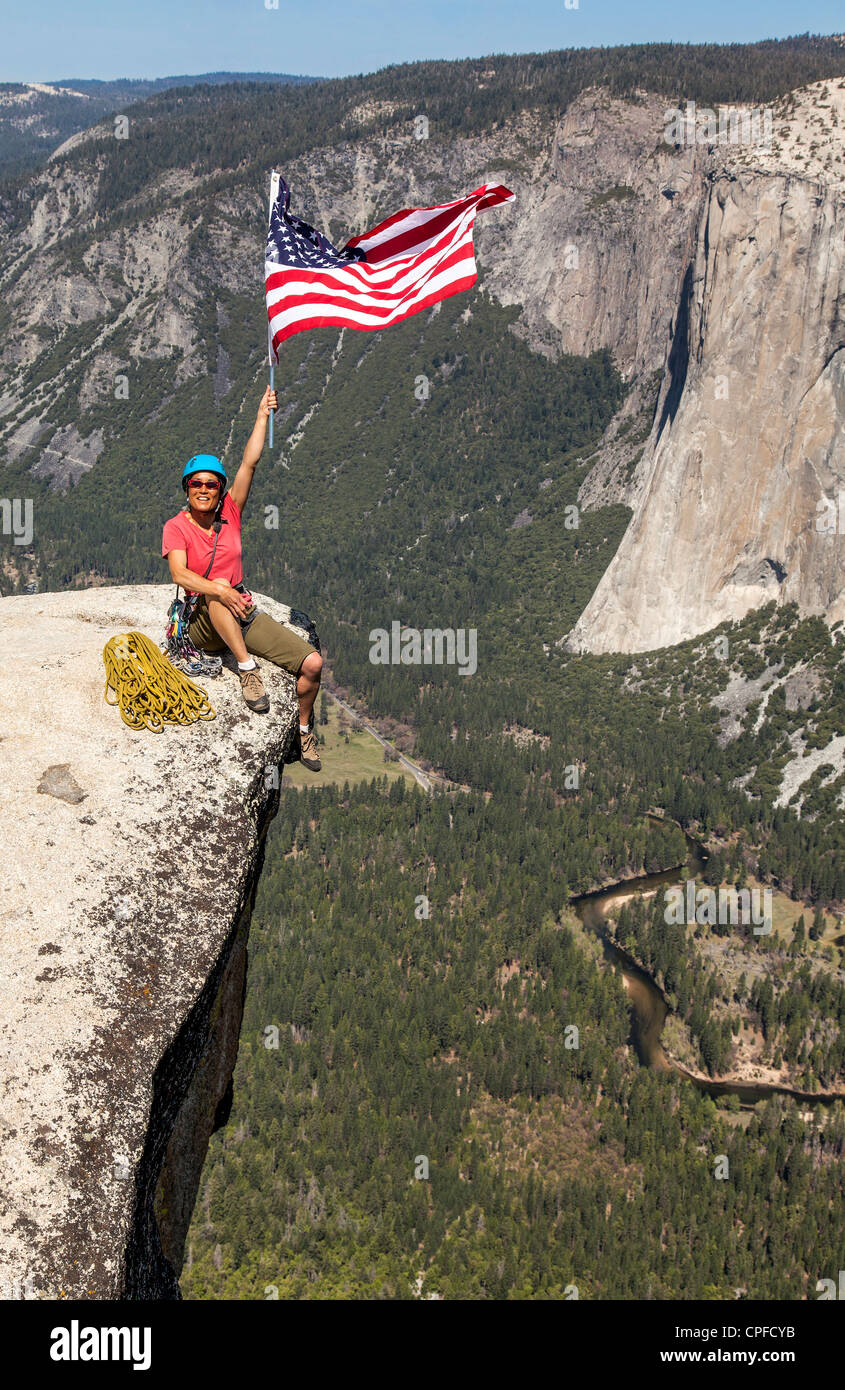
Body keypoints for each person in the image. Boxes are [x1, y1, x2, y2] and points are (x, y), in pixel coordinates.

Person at [161, 387, 323, 771]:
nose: (203, 490)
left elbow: (249, 465)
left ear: (220, 491)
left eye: (211, 484)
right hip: (202, 621)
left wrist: (262, 415)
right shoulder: (176, 527)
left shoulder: (230, 513)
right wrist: (218, 587)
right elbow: (179, 573)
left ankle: (303, 731)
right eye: (196, 484)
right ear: (187, 489)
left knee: (313, 664)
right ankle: (247, 670)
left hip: (239, 611)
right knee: (218, 595)